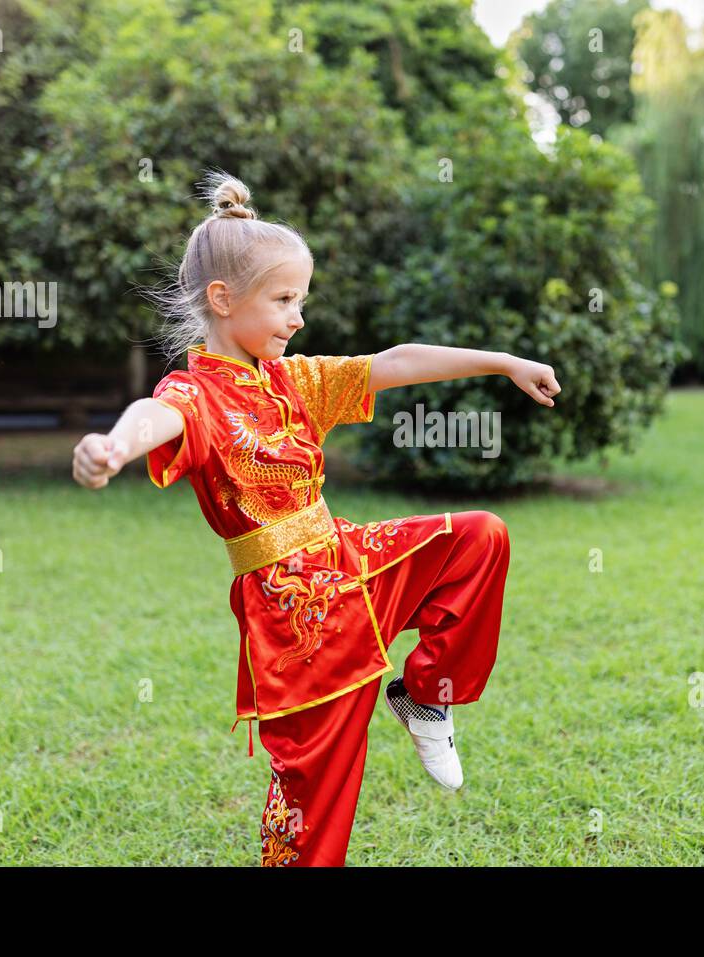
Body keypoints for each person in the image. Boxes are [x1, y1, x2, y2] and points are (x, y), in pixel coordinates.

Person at [70, 171, 560, 866]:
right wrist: (115, 444)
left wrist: (503, 363)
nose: (298, 316)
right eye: (284, 299)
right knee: (315, 797)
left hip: (352, 563)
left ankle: (426, 698)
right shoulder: (197, 392)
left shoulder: (294, 381)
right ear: (223, 299)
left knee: (479, 536)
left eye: (301, 298)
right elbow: (160, 414)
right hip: (293, 620)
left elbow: (393, 361)